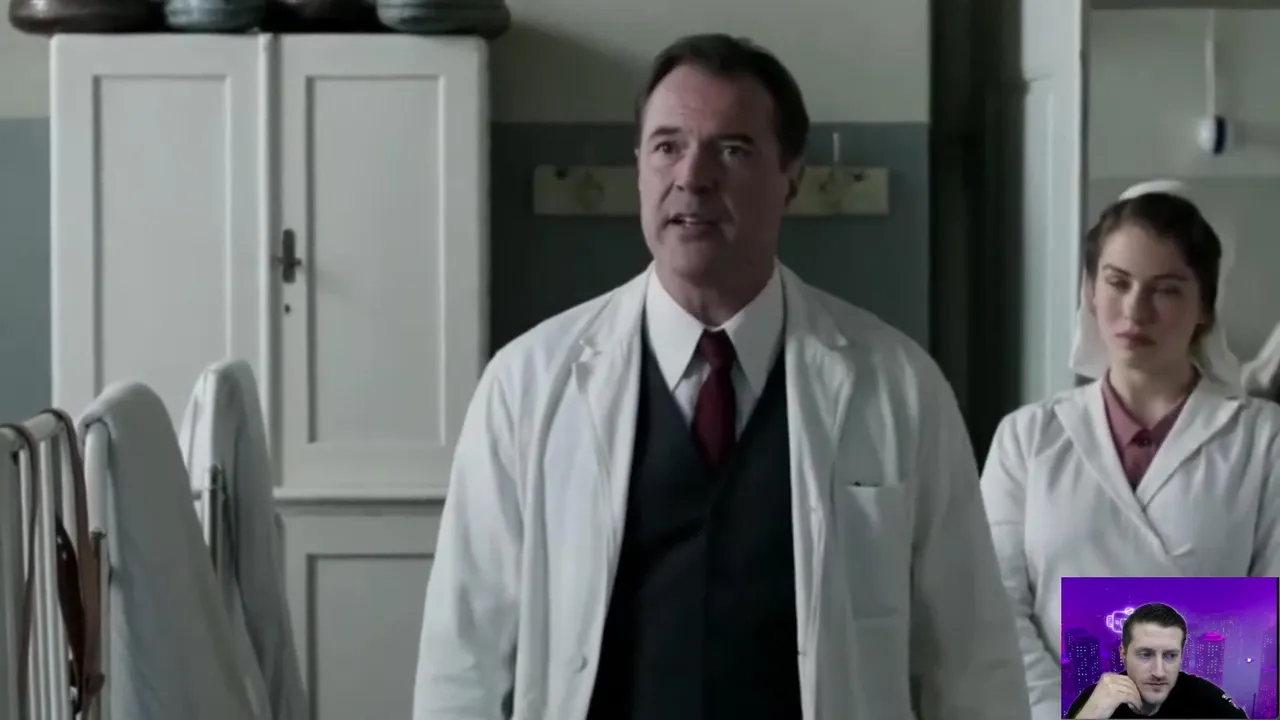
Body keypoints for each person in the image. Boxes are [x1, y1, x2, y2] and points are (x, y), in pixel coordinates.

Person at [411, 33, 1029, 720]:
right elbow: (464, 655)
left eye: (732, 150)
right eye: (667, 146)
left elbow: (971, 658)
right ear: (639, 169)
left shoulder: (899, 387)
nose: (693, 177)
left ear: (791, 176)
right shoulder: (526, 384)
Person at [980, 180, 1280, 720]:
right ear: (1091, 292)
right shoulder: (1027, 438)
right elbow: (993, 606)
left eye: (1166, 289)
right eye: (1117, 282)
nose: (1135, 311)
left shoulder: (1263, 438)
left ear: (1205, 306)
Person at [1065, 603, 1247, 719]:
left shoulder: (1206, 698)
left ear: (1181, 656)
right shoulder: (1095, 700)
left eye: (1170, 656)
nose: (1159, 672)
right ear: (1123, 654)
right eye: (1145, 655)